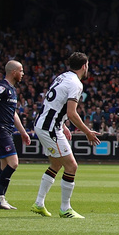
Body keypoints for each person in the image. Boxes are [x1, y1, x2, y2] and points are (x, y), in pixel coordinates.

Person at [31, 51, 101, 219]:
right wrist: (87, 132)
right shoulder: (76, 84)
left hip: (44, 123)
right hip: (50, 128)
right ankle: (65, 209)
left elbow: (55, 104)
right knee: (71, 166)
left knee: (56, 164)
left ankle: (39, 203)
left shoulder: (61, 77)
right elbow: (72, 113)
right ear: (84, 66)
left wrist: (62, 125)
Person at [0, 59, 32, 210]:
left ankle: (0, 198)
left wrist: (23, 132)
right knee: (13, 163)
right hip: (0, 129)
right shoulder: (2, 88)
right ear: (14, 72)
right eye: (21, 71)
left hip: (8, 130)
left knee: (4, 166)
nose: (23, 74)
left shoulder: (12, 90)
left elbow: (13, 113)